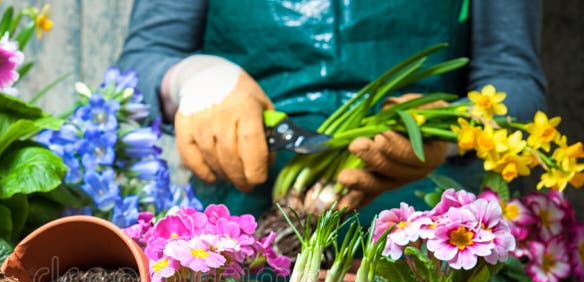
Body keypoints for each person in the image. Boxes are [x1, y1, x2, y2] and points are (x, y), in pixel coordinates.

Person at [117, 0, 546, 220]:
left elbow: (515, 82)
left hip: (420, 233)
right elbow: (141, 63)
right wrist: (197, 79)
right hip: (239, 229)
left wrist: (447, 131)